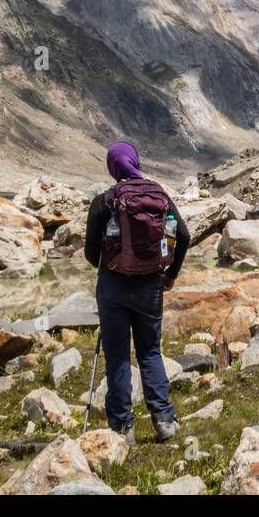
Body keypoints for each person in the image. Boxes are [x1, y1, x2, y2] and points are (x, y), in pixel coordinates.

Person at [84, 141, 190, 444]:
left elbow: (91, 253)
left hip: (113, 286)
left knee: (117, 356)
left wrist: (111, 267)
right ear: (136, 161)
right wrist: (170, 275)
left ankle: (122, 428)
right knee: (150, 352)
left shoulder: (104, 201)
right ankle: (164, 420)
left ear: (113, 167)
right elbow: (183, 235)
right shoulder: (160, 195)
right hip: (151, 285)